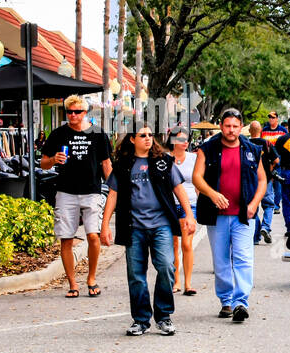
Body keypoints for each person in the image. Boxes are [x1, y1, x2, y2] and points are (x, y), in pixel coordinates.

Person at [100, 127, 196, 336]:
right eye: (143, 135)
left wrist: (189, 215)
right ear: (133, 139)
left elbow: (179, 188)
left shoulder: (163, 162)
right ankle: (141, 320)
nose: (148, 139)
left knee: (166, 267)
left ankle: (163, 316)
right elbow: (113, 195)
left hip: (161, 224)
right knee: (136, 274)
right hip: (133, 226)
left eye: (151, 135)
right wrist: (105, 225)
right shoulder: (123, 165)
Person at [192, 108, 266, 323]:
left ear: (241, 127)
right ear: (221, 126)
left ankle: (241, 301)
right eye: (227, 126)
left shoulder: (252, 149)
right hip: (218, 216)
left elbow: (262, 180)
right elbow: (197, 177)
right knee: (222, 260)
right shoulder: (208, 148)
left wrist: (254, 204)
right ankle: (226, 300)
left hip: (244, 213)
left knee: (243, 258)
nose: (231, 130)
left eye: (235, 126)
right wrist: (212, 194)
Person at [40, 94, 112, 298]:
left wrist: (115, 188)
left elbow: (106, 165)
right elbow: (43, 163)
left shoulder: (98, 134)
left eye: (77, 112)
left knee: (93, 236)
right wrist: (54, 159)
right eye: (69, 112)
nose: (73, 115)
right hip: (66, 192)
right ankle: (72, 283)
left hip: (91, 191)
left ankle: (91, 278)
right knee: (66, 238)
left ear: (85, 113)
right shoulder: (58, 134)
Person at [168, 132, 199, 295]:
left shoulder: (193, 159)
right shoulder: (165, 159)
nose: (185, 142)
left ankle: (188, 284)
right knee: (173, 245)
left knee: (186, 244)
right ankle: (176, 280)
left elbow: (198, 181)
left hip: (190, 205)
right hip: (170, 205)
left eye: (186, 139)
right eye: (180, 139)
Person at [249, 120, 276, 244]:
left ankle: (255, 237)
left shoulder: (245, 143)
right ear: (261, 131)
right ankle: (265, 227)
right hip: (265, 180)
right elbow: (276, 161)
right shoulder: (267, 143)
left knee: (253, 206)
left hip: (250, 180)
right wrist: (269, 171)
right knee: (269, 205)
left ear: (249, 131)